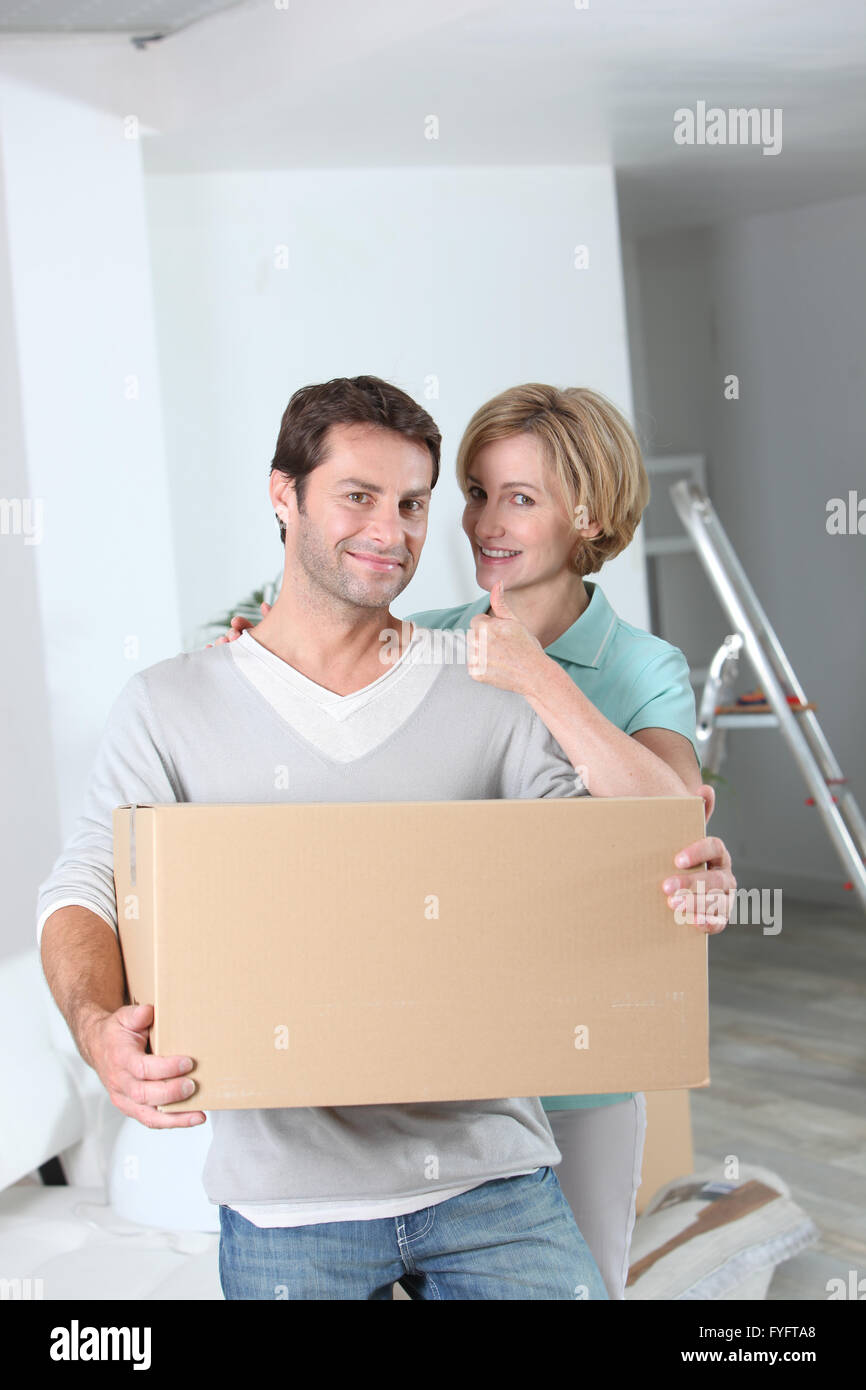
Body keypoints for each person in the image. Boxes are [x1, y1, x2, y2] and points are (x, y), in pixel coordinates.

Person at [39, 374, 642, 1302]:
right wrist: (95, 1026)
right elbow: (84, 886)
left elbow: (586, 865)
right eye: (357, 497)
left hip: (491, 1175)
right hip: (290, 1201)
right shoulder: (170, 705)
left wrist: (679, 866)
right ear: (284, 494)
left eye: (412, 504)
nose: (391, 531)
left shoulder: (490, 687)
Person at [221, 382, 737, 1298]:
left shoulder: (640, 665)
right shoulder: (429, 643)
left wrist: (540, 680)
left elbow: (669, 820)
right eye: (475, 492)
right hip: (450, 1075)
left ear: (589, 517)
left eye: (521, 499)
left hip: (575, 1067)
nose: (485, 525)